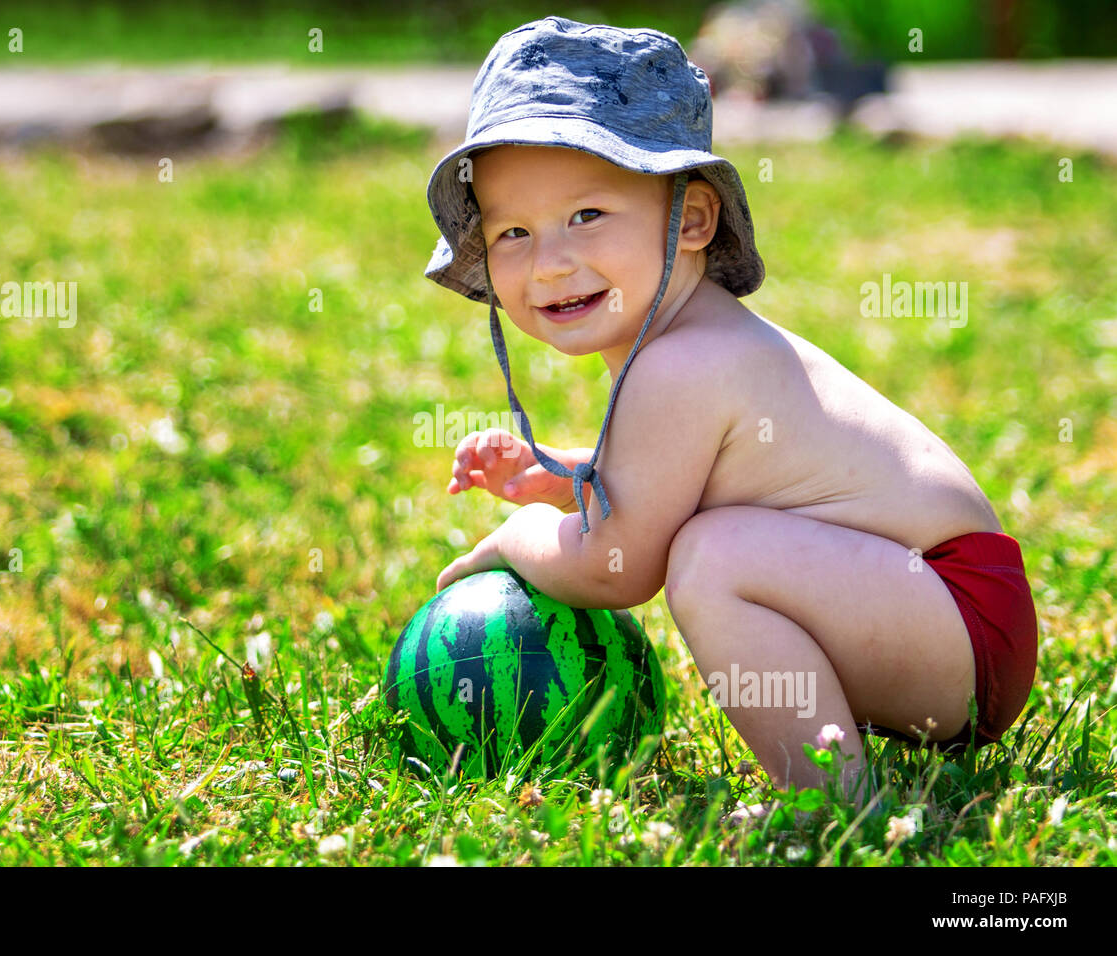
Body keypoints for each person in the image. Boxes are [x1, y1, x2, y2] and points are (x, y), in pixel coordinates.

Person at [425, 17, 1037, 805]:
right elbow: (664, 483)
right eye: (513, 231)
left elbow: (620, 564)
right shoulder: (689, 346)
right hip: (941, 613)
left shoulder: (679, 366)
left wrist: (519, 539)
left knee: (714, 558)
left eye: (587, 215)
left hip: (957, 620)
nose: (550, 261)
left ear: (694, 221)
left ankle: (833, 804)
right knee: (719, 540)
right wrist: (558, 477)